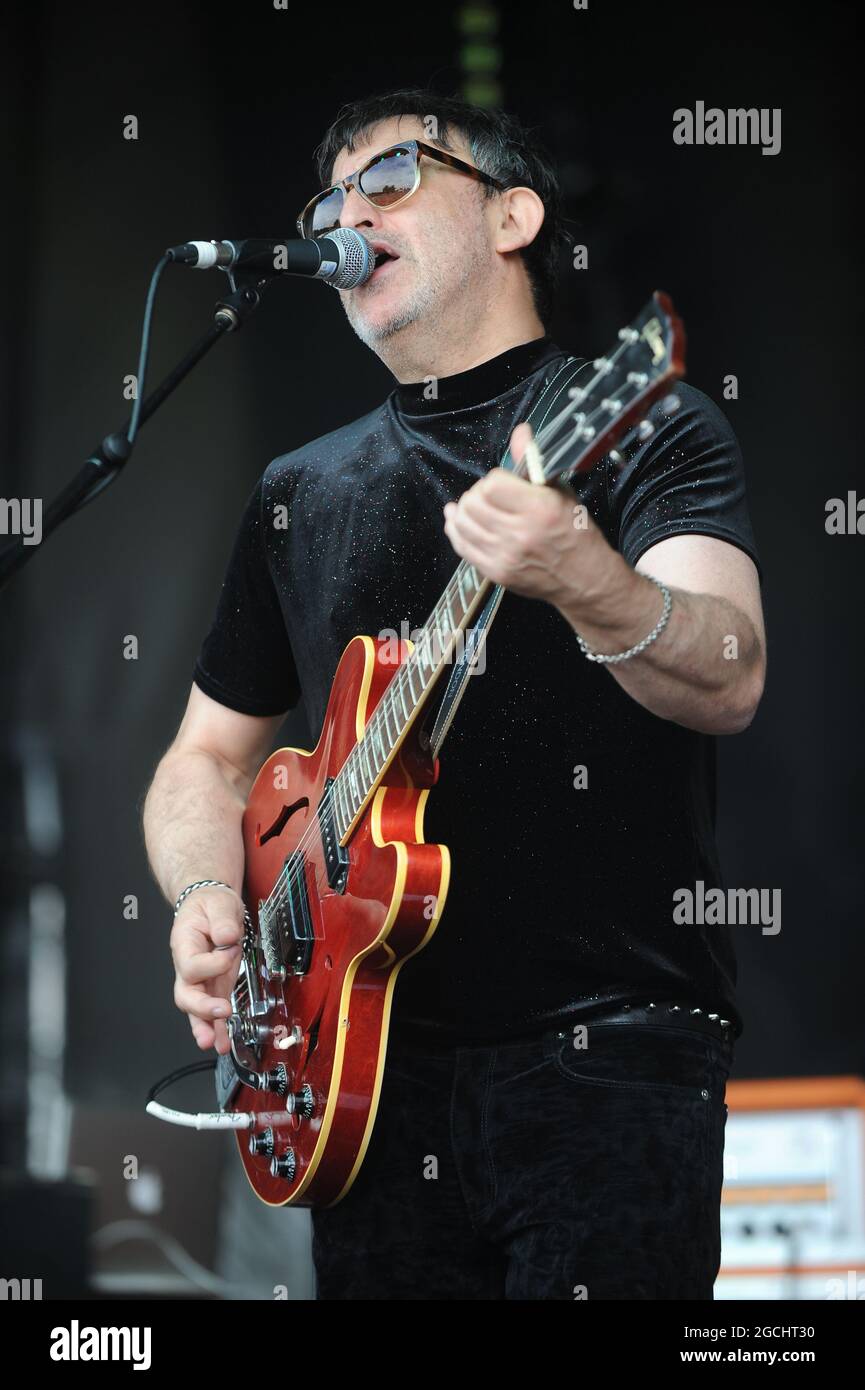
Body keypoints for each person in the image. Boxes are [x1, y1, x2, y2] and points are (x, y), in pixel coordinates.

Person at [142, 89, 766, 1300]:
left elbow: (729, 674)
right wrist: (211, 892)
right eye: (326, 199)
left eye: (389, 178)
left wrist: (590, 582)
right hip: (363, 1086)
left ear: (514, 215)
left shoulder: (637, 422)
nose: (345, 213)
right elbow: (204, 762)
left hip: (609, 1055)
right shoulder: (298, 489)